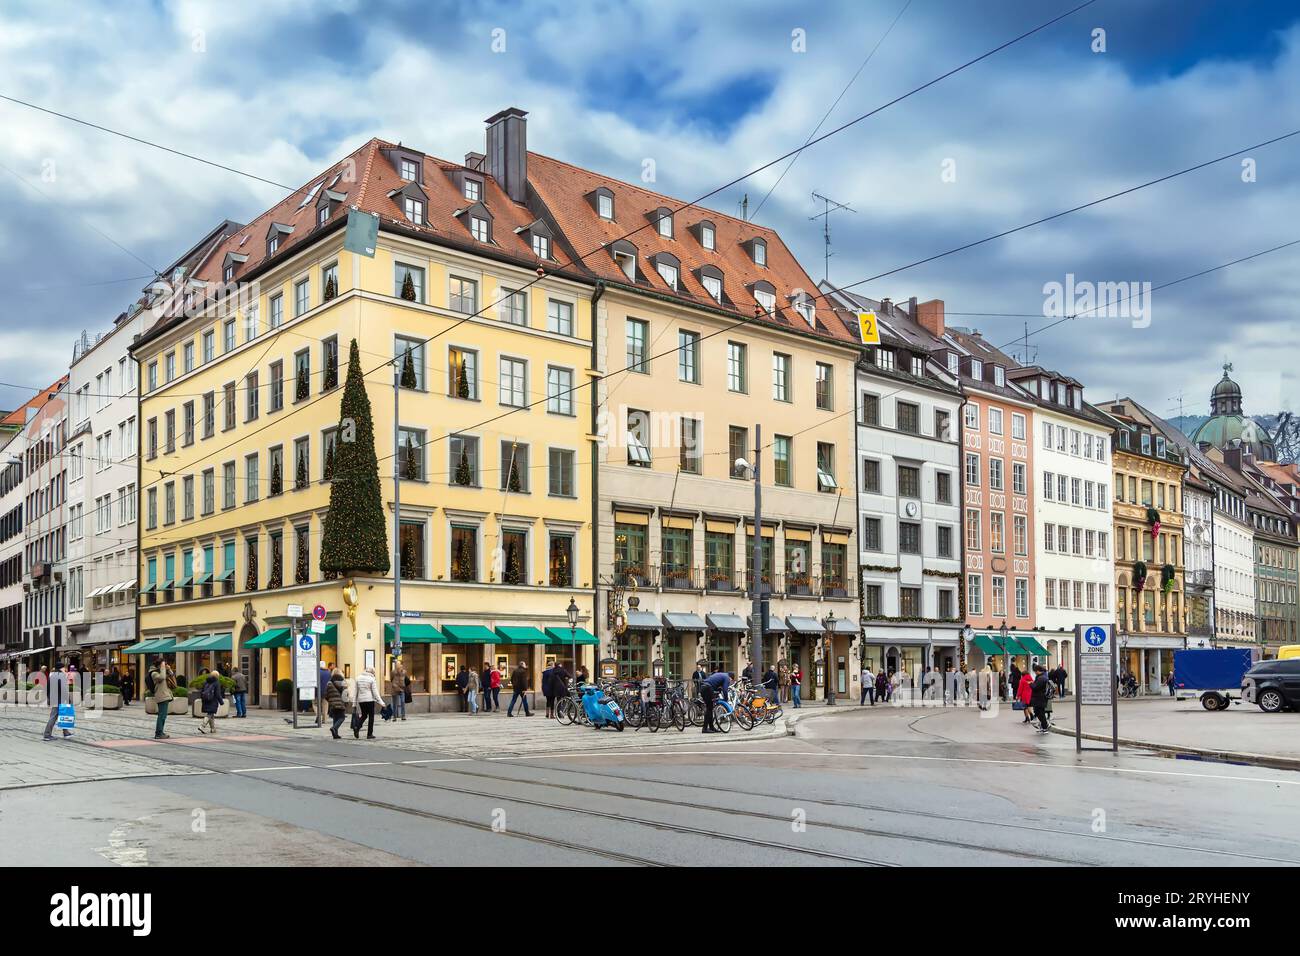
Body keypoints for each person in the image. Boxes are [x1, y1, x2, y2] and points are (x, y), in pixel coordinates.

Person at [353, 666, 385, 739]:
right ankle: (369, 734)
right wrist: (381, 703)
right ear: (372, 672)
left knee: (364, 715)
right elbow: (375, 692)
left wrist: (354, 703)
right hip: (369, 700)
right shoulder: (371, 679)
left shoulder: (358, 678)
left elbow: (355, 692)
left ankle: (357, 727)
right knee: (371, 716)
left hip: (361, 700)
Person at [42, 664, 73, 740]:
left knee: (62, 715)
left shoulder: (52, 675)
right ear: (61, 668)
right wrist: (68, 699)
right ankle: (47, 734)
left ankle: (66, 732)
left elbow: (47, 688)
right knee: (53, 717)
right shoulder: (61, 675)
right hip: (59, 699)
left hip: (54, 698)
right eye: (63, 667)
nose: (64, 669)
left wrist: (49, 698)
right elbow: (63, 689)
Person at [148, 657, 175, 739]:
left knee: (163, 715)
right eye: (163, 664)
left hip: (165, 695)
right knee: (162, 715)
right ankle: (158, 733)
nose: (165, 665)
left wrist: (169, 669)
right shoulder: (154, 673)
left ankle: (160, 732)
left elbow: (172, 676)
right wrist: (163, 667)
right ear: (159, 665)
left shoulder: (160, 671)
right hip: (161, 696)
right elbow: (162, 677)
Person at [700, 668, 732, 733]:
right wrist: (726, 699)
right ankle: (705, 728)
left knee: (710, 708)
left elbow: (716, 684)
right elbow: (725, 690)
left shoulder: (721, 674)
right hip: (707, 688)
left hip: (703, 687)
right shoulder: (727, 678)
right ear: (731, 678)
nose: (730, 682)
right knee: (709, 709)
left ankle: (711, 727)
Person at [198, 670, 224, 735]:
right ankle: (202, 726)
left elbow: (201, 691)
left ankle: (213, 728)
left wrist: (203, 699)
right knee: (210, 714)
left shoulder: (205, 682)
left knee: (211, 714)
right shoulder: (216, 682)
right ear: (217, 676)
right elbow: (218, 694)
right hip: (213, 700)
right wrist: (221, 701)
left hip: (205, 700)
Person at [324, 669, 348, 738]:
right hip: (340, 703)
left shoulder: (329, 682)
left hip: (332, 704)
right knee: (342, 717)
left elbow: (326, 695)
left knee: (335, 718)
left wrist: (330, 700)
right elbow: (345, 693)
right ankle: (334, 728)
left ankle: (335, 734)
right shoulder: (343, 682)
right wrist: (346, 703)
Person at [1029, 665, 1052, 733]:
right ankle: (1043, 726)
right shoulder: (1042, 677)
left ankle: (1045, 726)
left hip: (1040, 698)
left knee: (1040, 713)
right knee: (1038, 712)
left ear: (1038, 671)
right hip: (1040, 698)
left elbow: (1035, 687)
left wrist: (1031, 684)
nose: (1035, 673)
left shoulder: (1041, 678)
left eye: (1035, 671)